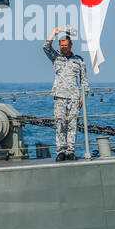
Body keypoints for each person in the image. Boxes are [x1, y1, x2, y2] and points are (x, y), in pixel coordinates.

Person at [43, 26, 87, 161]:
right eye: (62, 45)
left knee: (72, 125)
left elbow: (84, 81)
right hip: (59, 96)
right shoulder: (56, 57)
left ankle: (70, 151)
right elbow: (45, 46)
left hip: (74, 97)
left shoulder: (79, 60)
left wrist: (83, 97)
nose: (64, 48)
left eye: (66, 45)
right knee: (60, 124)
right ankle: (61, 151)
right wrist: (55, 32)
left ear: (71, 45)